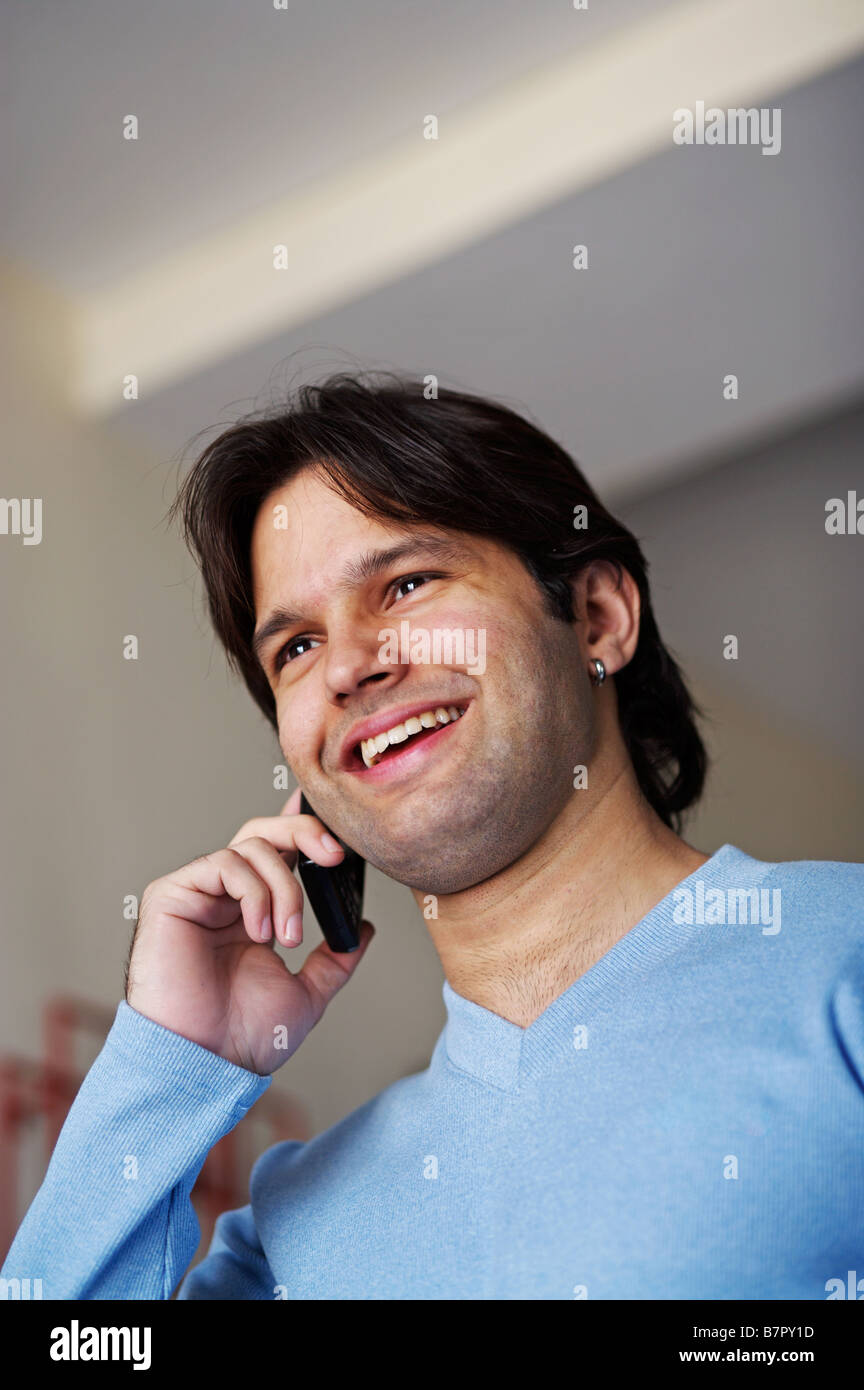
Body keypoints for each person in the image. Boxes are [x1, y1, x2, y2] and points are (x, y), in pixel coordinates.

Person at [3, 375, 862, 1300]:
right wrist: (168, 1063)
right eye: (293, 647)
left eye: (407, 584)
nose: (344, 666)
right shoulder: (290, 1230)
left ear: (598, 618)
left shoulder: (840, 959)